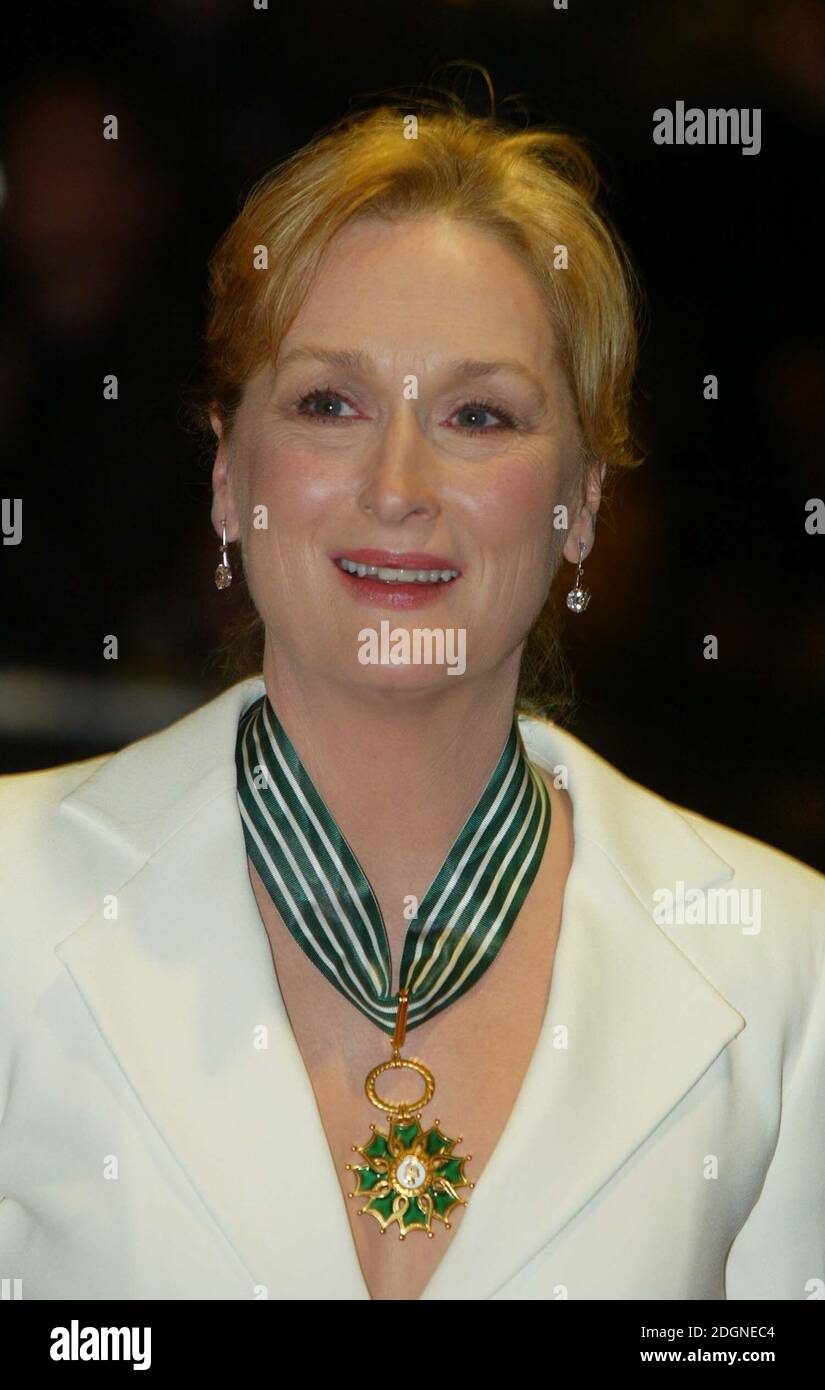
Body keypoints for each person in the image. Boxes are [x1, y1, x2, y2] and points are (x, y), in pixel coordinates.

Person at [1, 90, 822, 1303]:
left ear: (583, 501)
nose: (399, 484)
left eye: (477, 414)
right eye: (330, 403)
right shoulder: (10, 900)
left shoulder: (788, 969)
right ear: (230, 476)